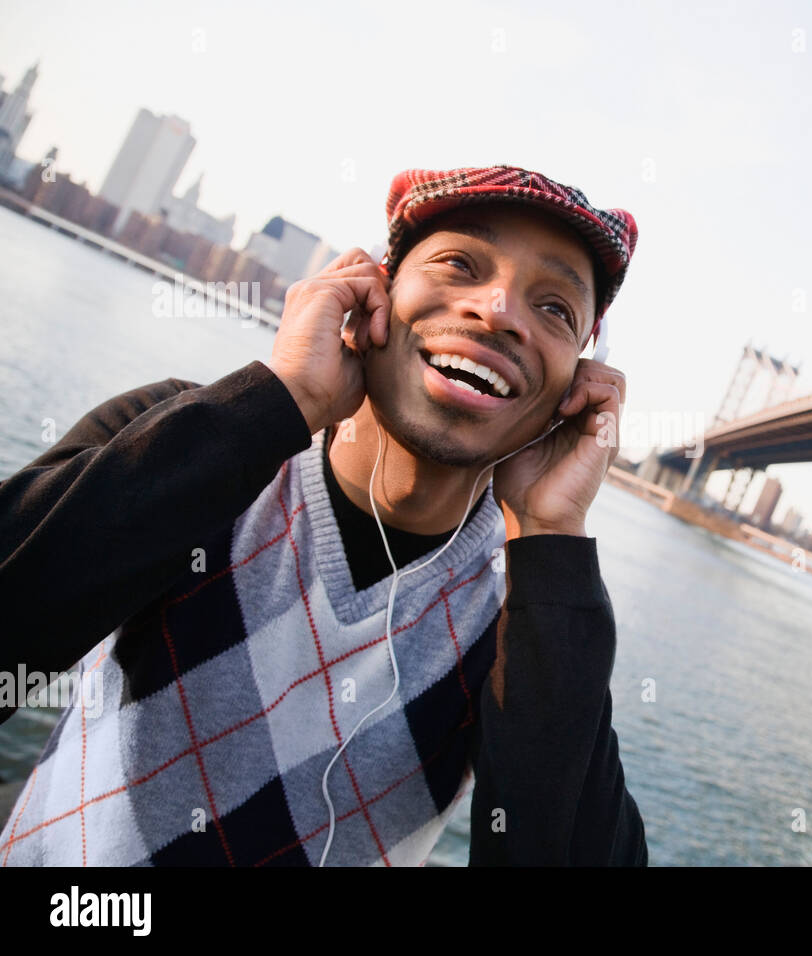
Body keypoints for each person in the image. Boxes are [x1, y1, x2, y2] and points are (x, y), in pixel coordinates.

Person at [0, 164, 647, 866]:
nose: (498, 312)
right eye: (460, 262)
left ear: (575, 386)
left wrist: (552, 536)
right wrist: (283, 399)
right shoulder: (180, 437)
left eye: (555, 308)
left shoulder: (528, 612)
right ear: (373, 291)